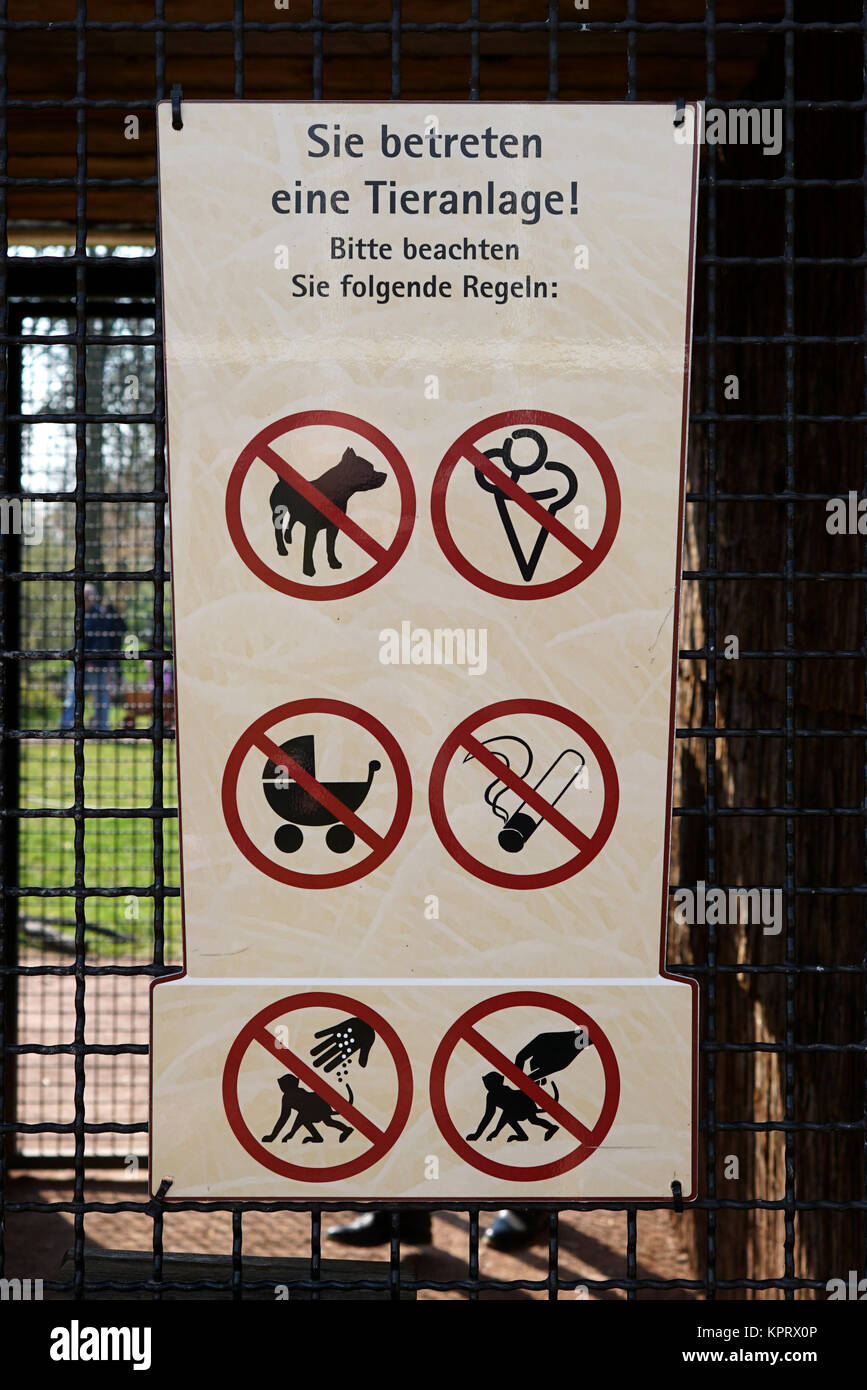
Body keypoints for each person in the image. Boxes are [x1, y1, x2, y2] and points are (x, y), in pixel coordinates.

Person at [59, 583, 113, 731]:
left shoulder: (101, 616)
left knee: (101, 699)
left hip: (98, 666)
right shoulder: (79, 615)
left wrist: (105, 665)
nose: (85, 599)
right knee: (73, 696)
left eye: (88, 596)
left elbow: (105, 642)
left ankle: (102, 729)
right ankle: (65, 727)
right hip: (79, 664)